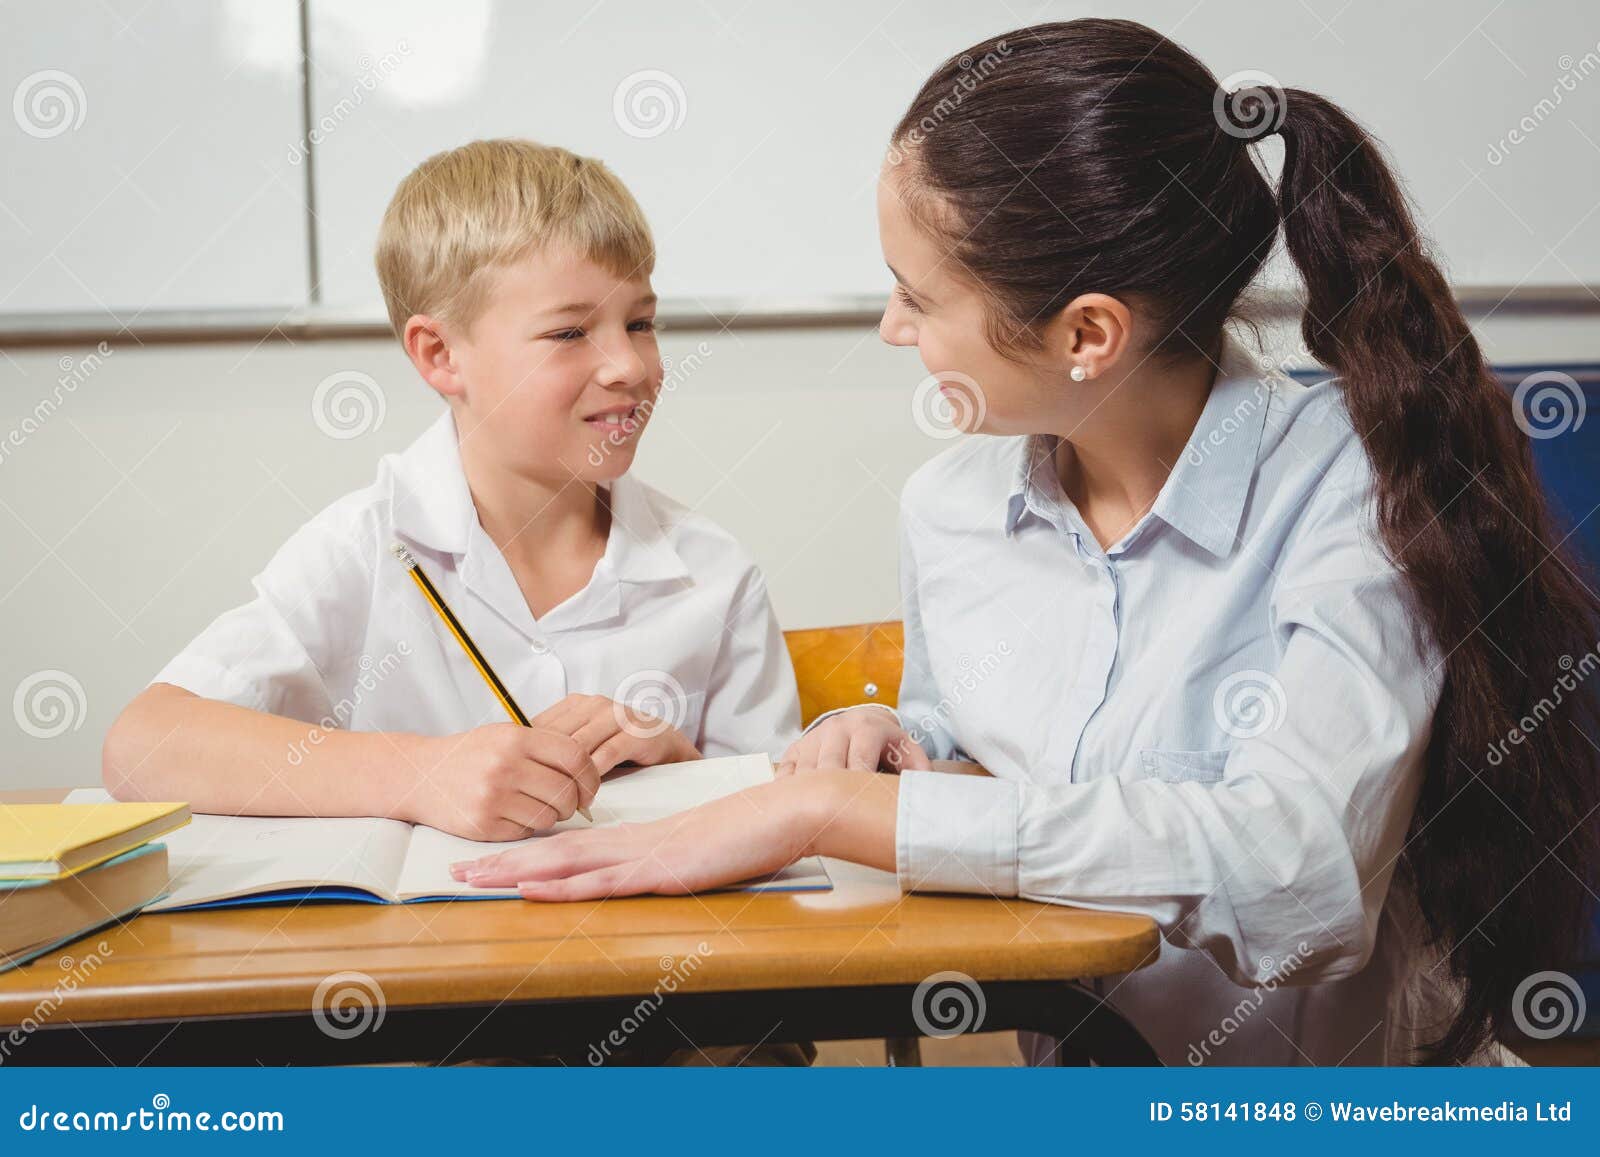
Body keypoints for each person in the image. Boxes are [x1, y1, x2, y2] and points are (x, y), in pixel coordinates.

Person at [453, 23, 1600, 1066]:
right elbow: (980, 745)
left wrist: (831, 815)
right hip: (1081, 1086)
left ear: (1086, 333)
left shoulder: (1348, 482)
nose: (892, 327)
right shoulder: (950, 508)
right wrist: (891, 743)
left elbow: (1295, 870)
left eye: (917, 296)